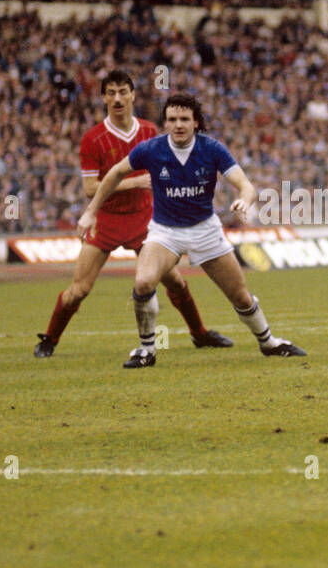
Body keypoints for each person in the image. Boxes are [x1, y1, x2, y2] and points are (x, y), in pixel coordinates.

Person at [78, 93, 305, 368]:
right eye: (172, 119)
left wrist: (244, 200)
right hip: (165, 232)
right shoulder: (151, 149)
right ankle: (147, 350)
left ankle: (268, 343)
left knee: (240, 296)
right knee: (143, 282)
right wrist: (91, 212)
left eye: (184, 119)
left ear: (196, 122)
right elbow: (114, 173)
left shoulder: (212, 149)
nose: (178, 124)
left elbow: (246, 185)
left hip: (205, 231)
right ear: (166, 123)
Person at [34, 70, 230, 357]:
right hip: (108, 221)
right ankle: (49, 339)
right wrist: (135, 182)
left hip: (146, 220)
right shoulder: (93, 139)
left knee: (175, 280)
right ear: (103, 97)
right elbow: (90, 189)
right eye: (111, 92)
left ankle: (199, 334)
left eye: (123, 91)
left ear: (133, 95)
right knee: (79, 290)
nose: (117, 98)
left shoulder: (150, 131)